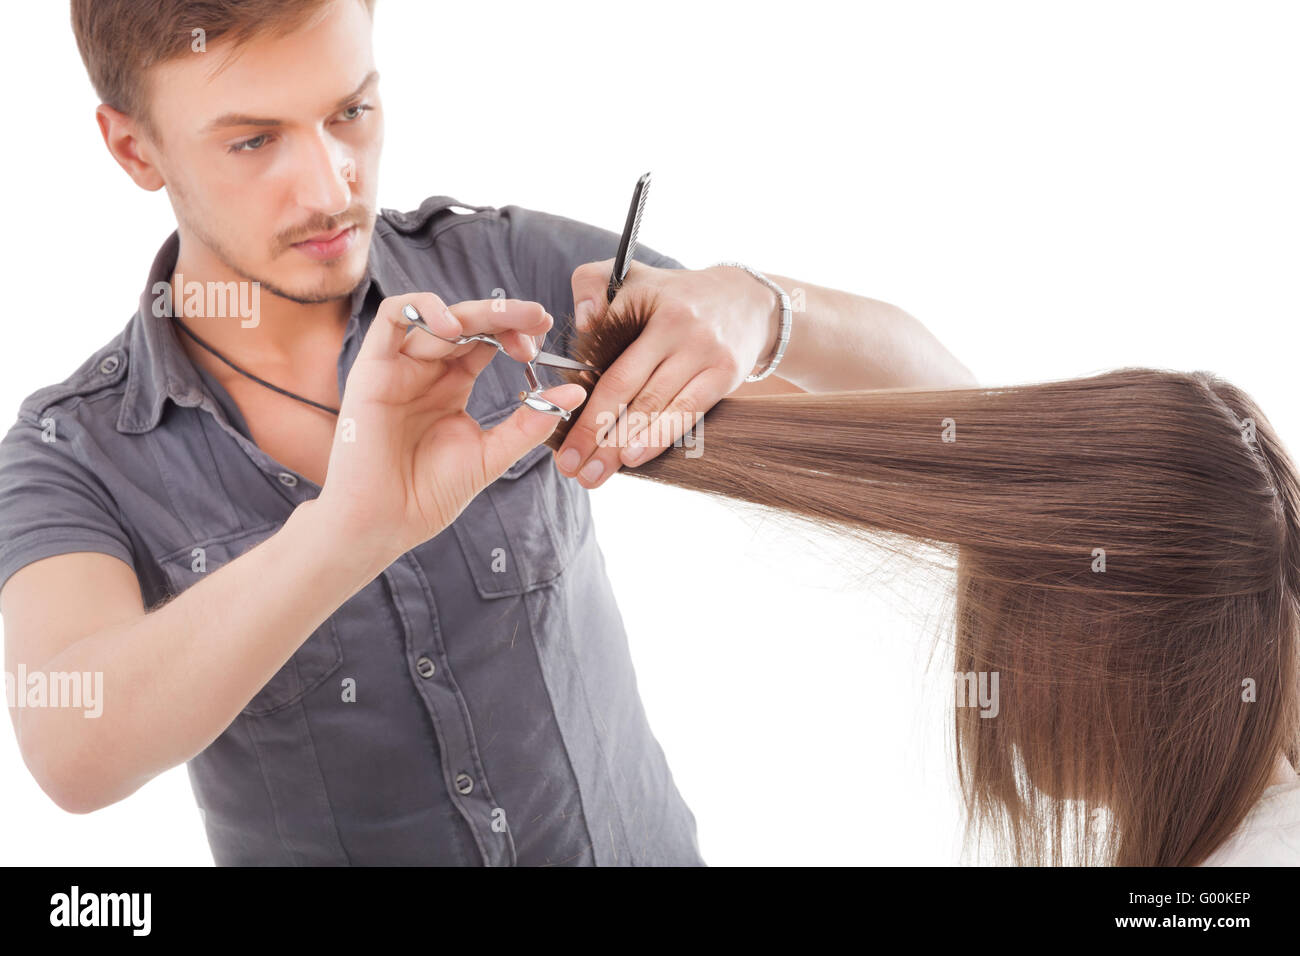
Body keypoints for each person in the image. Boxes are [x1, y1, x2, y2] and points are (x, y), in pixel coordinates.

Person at [0, 0, 974, 865]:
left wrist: (762, 307)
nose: (330, 186)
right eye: (253, 141)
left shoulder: (505, 265)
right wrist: (346, 536)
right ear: (134, 149)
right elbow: (72, 749)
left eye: (351, 112)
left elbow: (952, 418)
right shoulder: (70, 447)